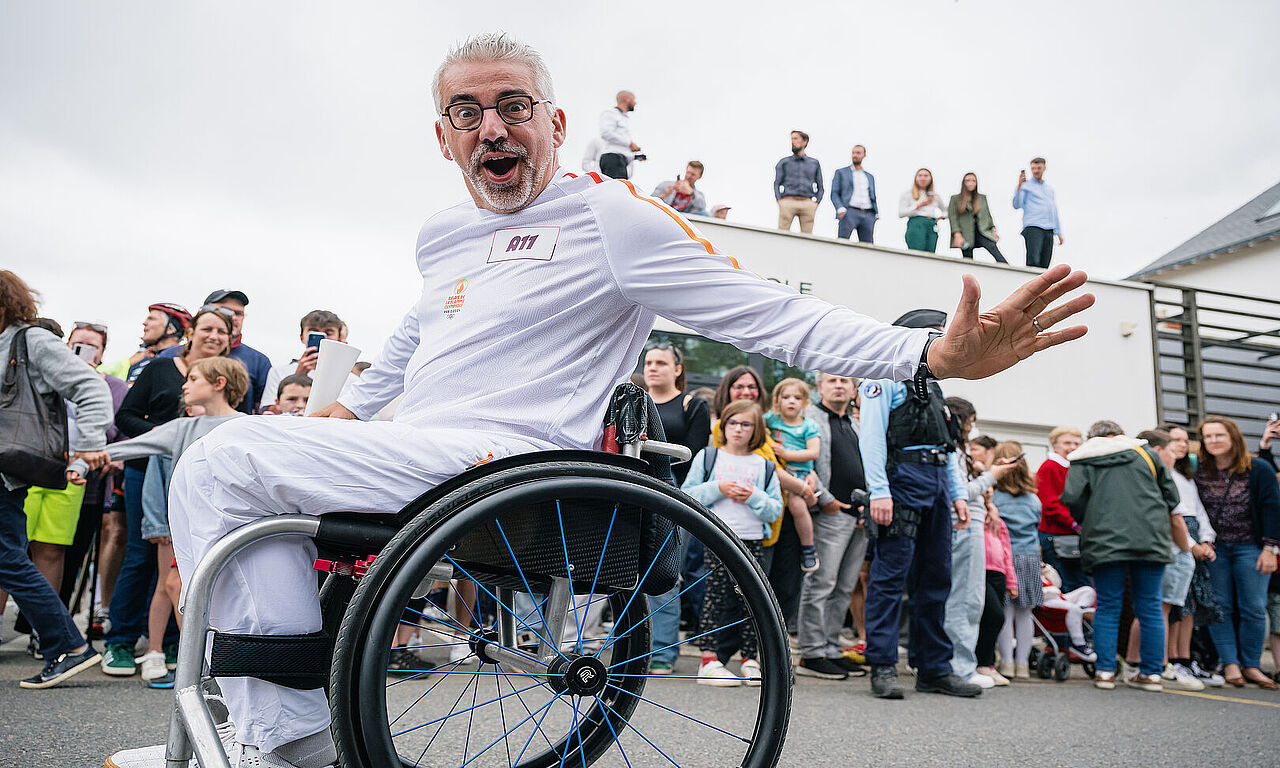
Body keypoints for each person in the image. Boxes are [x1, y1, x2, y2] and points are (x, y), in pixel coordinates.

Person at [107, 33, 1093, 767]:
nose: (491, 126)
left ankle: (280, 744)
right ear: (444, 136)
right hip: (419, 444)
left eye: (512, 106)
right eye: (467, 112)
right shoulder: (442, 234)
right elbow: (416, 328)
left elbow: (764, 317)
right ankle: (255, 728)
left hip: (504, 457)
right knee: (238, 470)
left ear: (554, 122)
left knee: (224, 455)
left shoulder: (610, 218)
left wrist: (927, 353)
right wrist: (350, 411)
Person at [68, 357, 249, 687]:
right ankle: (202, 664)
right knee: (175, 586)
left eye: (193, 378)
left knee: (226, 593)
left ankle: (223, 666)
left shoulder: (248, 427)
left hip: (233, 527)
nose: (184, 385)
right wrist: (81, 466)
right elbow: (123, 448)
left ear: (219, 383)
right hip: (191, 529)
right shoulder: (183, 428)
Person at [102, 307, 232, 677]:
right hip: (149, 470)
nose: (214, 336)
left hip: (202, 481)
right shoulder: (160, 367)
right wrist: (172, 435)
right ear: (191, 331)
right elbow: (125, 416)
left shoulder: (228, 375)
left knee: (193, 560)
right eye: (207, 328)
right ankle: (121, 641)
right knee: (142, 555)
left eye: (222, 331)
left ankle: (178, 643)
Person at [859, 309, 978, 699]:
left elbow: (946, 448)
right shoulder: (884, 377)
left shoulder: (936, 388)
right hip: (902, 481)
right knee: (890, 578)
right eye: (935, 333)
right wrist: (879, 491)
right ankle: (882, 665)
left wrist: (958, 495)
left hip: (937, 483)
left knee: (936, 578)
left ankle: (933, 668)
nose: (943, 340)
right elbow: (872, 438)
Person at [0, 271, 110, 688]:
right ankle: (67, 645)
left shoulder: (30, 340)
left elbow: (90, 387)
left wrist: (89, 446)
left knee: (10, 559)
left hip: (7, 471)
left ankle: (70, 645)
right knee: (8, 558)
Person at [1061, 420, 1178, 692]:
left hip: (1104, 540)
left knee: (1108, 606)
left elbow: (1073, 498)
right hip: (1151, 539)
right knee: (1149, 605)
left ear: (1092, 438)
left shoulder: (1084, 457)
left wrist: (1089, 519)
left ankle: (1104, 673)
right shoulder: (1146, 453)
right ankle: (1152, 675)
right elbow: (1170, 496)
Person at [682, 401, 783, 686]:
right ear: (723, 426)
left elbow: (775, 510)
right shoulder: (709, 456)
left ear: (756, 430)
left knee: (752, 599)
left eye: (746, 424)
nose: (738, 429)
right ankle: (709, 659)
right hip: (719, 538)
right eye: (733, 423)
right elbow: (687, 495)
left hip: (753, 538)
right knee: (715, 596)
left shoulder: (764, 465)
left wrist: (753, 496)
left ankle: (750, 659)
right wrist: (718, 488)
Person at [712, 366, 814, 637]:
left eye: (752, 387)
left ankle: (757, 650)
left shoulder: (766, 424)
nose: (746, 391)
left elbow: (782, 461)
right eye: (740, 386)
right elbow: (771, 468)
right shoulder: (723, 427)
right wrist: (803, 488)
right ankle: (720, 652)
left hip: (771, 516)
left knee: (771, 586)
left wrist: (809, 474)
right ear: (728, 391)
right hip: (738, 521)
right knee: (729, 593)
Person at [1194, 416, 1280, 689]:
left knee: (1253, 607)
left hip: (1251, 547)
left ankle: (1252, 665)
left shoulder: (1258, 468)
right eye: (1208, 437)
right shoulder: (1198, 470)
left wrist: (1270, 549)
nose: (1213, 441)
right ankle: (1230, 664)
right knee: (1220, 607)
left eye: (1219, 435)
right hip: (1215, 549)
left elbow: (1272, 509)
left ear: (1233, 437)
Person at [640, 341, 710, 675]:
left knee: (664, 572)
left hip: (673, 493)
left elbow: (692, 453)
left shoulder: (692, 405)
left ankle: (664, 651)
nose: (653, 367)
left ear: (678, 370)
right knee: (626, 572)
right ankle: (633, 647)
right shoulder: (634, 404)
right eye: (649, 362)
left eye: (661, 363)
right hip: (633, 490)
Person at [796, 373, 870, 680]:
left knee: (843, 587)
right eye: (832, 380)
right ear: (820, 386)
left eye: (845, 381)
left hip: (860, 516)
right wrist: (825, 499)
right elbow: (803, 466)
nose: (839, 385)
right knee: (821, 583)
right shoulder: (809, 419)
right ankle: (812, 652)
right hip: (829, 512)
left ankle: (829, 646)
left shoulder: (856, 425)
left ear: (854, 389)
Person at [944, 398, 1019, 689]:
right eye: (970, 423)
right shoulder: (952, 449)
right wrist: (992, 476)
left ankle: (963, 665)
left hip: (969, 524)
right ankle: (961, 667)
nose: (971, 430)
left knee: (971, 600)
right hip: (963, 525)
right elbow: (960, 492)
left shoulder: (959, 452)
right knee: (965, 600)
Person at [1122, 429, 1201, 690]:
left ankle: (1133, 663)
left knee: (1148, 610)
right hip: (1172, 551)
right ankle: (1159, 665)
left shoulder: (1144, 476)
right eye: (1172, 446)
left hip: (1157, 550)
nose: (1178, 450)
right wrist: (1188, 548)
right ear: (1158, 451)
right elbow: (1175, 518)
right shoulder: (1161, 476)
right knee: (1159, 611)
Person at [1159, 423, 1223, 688]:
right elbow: (1173, 516)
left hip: (1195, 537)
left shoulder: (1187, 476)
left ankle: (1186, 658)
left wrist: (1207, 540)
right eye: (1175, 440)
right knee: (1175, 604)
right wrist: (1191, 543)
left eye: (1185, 440)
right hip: (1179, 541)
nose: (1182, 445)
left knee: (1190, 606)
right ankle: (1171, 659)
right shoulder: (1163, 475)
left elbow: (1198, 511)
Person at [158, 290, 272, 414]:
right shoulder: (168, 357)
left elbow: (260, 409)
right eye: (225, 310)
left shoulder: (258, 361)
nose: (233, 317)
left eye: (238, 313)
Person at [990, 441, 1043, 680]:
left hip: (1005, 559)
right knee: (1025, 614)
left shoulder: (995, 498)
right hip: (1030, 557)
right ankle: (1023, 664)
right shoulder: (1033, 500)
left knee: (1005, 612)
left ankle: (1007, 662)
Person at [765, 378, 821, 573]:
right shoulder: (771, 419)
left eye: (797, 397)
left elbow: (814, 452)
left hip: (799, 474)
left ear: (805, 402)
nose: (791, 401)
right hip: (776, 473)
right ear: (777, 400)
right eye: (786, 397)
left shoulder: (809, 425)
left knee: (797, 506)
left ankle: (808, 548)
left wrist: (787, 455)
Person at [1036, 426, 1087, 591]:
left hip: (1073, 536)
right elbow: (1050, 504)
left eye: (1076, 443)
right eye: (1067, 443)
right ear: (1054, 445)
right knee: (1066, 584)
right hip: (1057, 535)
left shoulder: (1075, 467)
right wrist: (1074, 523)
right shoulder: (1050, 467)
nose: (1072, 447)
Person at [261, 310, 343, 412]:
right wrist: (297, 377)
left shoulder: (349, 377)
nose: (322, 338)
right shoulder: (279, 372)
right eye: (314, 332)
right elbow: (268, 410)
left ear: (339, 338)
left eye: (328, 333)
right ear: (302, 337)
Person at [976, 490, 1016, 685]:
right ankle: (983, 663)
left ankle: (987, 663)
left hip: (998, 572)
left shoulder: (998, 521)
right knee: (994, 616)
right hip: (980, 570)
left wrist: (1011, 581)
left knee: (993, 618)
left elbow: (1007, 550)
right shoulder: (975, 517)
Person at [99, 303, 192, 384]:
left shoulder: (180, 358)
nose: (144, 323)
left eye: (152, 319)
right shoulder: (141, 359)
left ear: (170, 329)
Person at [1013, 157, 1063, 269]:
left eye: (1038, 168)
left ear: (1044, 168)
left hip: (1049, 229)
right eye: (1033, 168)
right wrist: (1019, 186)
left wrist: (1058, 232)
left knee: (1045, 263)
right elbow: (1016, 204)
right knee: (1033, 261)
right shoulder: (1025, 186)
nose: (1036, 171)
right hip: (1033, 226)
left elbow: (1053, 210)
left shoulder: (1049, 189)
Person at [948, 173, 1007, 263]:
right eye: (968, 181)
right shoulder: (955, 199)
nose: (971, 183)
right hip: (965, 233)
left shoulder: (982, 198)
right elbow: (953, 218)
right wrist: (957, 234)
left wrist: (993, 229)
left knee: (996, 253)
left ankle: (1008, 272)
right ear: (963, 183)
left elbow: (988, 215)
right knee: (968, 260)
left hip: (982, 231)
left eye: (973, 181)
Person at [774, 130, 823, 234]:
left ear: (805, 142)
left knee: (807, 237)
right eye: (792, 139)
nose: (793, 141)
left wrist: (816, 203)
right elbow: (777, 183)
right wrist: (780, 200)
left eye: (796, 139)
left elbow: (820, 186)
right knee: (782, 234)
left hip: (807, 203)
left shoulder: (814, 163)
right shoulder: (784, 162)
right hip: (787, 201)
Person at [830, 145, 878, 243]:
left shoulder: (869, 176)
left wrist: (875, 213)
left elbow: (872, 195)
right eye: (853, 153)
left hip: (868, 214)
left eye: (858, 153)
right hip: (849, 212)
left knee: (868, 246)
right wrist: (840, 208)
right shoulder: (841, 172)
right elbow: (834, 193)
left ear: (864, 155)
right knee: (842, 242)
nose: (855, 155)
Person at [898, 168, 946, 252]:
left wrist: (941, 217)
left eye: (926, 176)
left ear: (930, 178)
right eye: (920, 176)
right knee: (917, 252)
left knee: (930, 254)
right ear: (916, 178)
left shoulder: (935, 196)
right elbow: (901, 213)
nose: (923, 178)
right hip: (916, 223)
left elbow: (946, 210)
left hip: (931, 225)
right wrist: (918, 205)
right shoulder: (908, 194)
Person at [597, 90, 640, 179]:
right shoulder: (611, 113)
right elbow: (605, 133)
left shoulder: (624, 118)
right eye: (633, 99)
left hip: (620, 161)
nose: (635, 102)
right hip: (613, 159)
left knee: (620, 190)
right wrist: (629, 143)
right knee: (615, 191)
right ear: (627, 99)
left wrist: (635, 155)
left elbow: (621, 146)